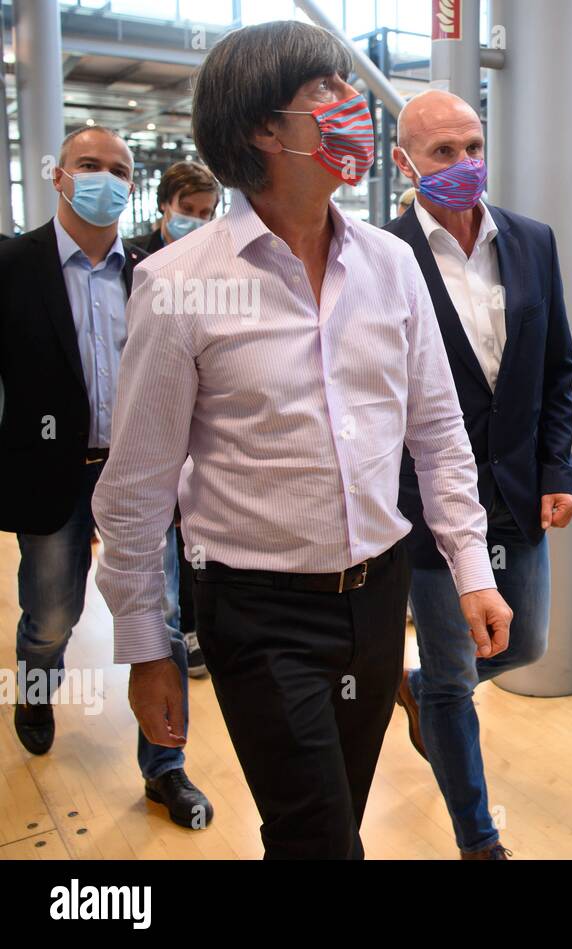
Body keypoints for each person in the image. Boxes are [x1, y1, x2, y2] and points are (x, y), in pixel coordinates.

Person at [91, 20, 511, 859]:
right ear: (261, 128)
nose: (352, 106)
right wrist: (146, 648)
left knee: (327, 822)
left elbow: (436, 429)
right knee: (320, 839)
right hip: (258, 607)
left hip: (378, 596)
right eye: (325, 91)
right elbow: (137, 485)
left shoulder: (391, 267)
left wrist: (471, 566)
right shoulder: (180, 284)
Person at [386, 90, 572, 861]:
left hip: (520, 494)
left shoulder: (532, 242)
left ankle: (424, 685)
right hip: (433, 502)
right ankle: (478, 837)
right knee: (453, 678)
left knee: (523, 644)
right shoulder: (382, 254)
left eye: (473, 146)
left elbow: (558, 368)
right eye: (443, 153)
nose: (466, 165)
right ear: (405, 164)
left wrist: (557, 467)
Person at [0, 126, 211, 829]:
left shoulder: (155, 271)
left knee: (163, 620)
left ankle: (166, 766)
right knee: (52, 612)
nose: (107, 180)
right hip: (50, 472)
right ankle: (35, 685)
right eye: (90, 165)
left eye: (119, 170)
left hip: (141, 476)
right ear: (59, 175)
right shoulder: (14, 265)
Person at [132, 159, 223, 680]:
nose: (196, 219)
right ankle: (158, 642)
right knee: (160, 540)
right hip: (156, 416)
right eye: (188, 211)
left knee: (194, 535)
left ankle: (192, 628)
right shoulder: (141, 264)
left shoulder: (215, 267)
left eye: (207, 213)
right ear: (166, 205)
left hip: (200, 424)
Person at [133, 160, 221, 254]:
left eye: (204, 212)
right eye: (187, 208)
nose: (195, 219)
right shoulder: (133, 254)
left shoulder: (220, 256)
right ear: (164, 203)